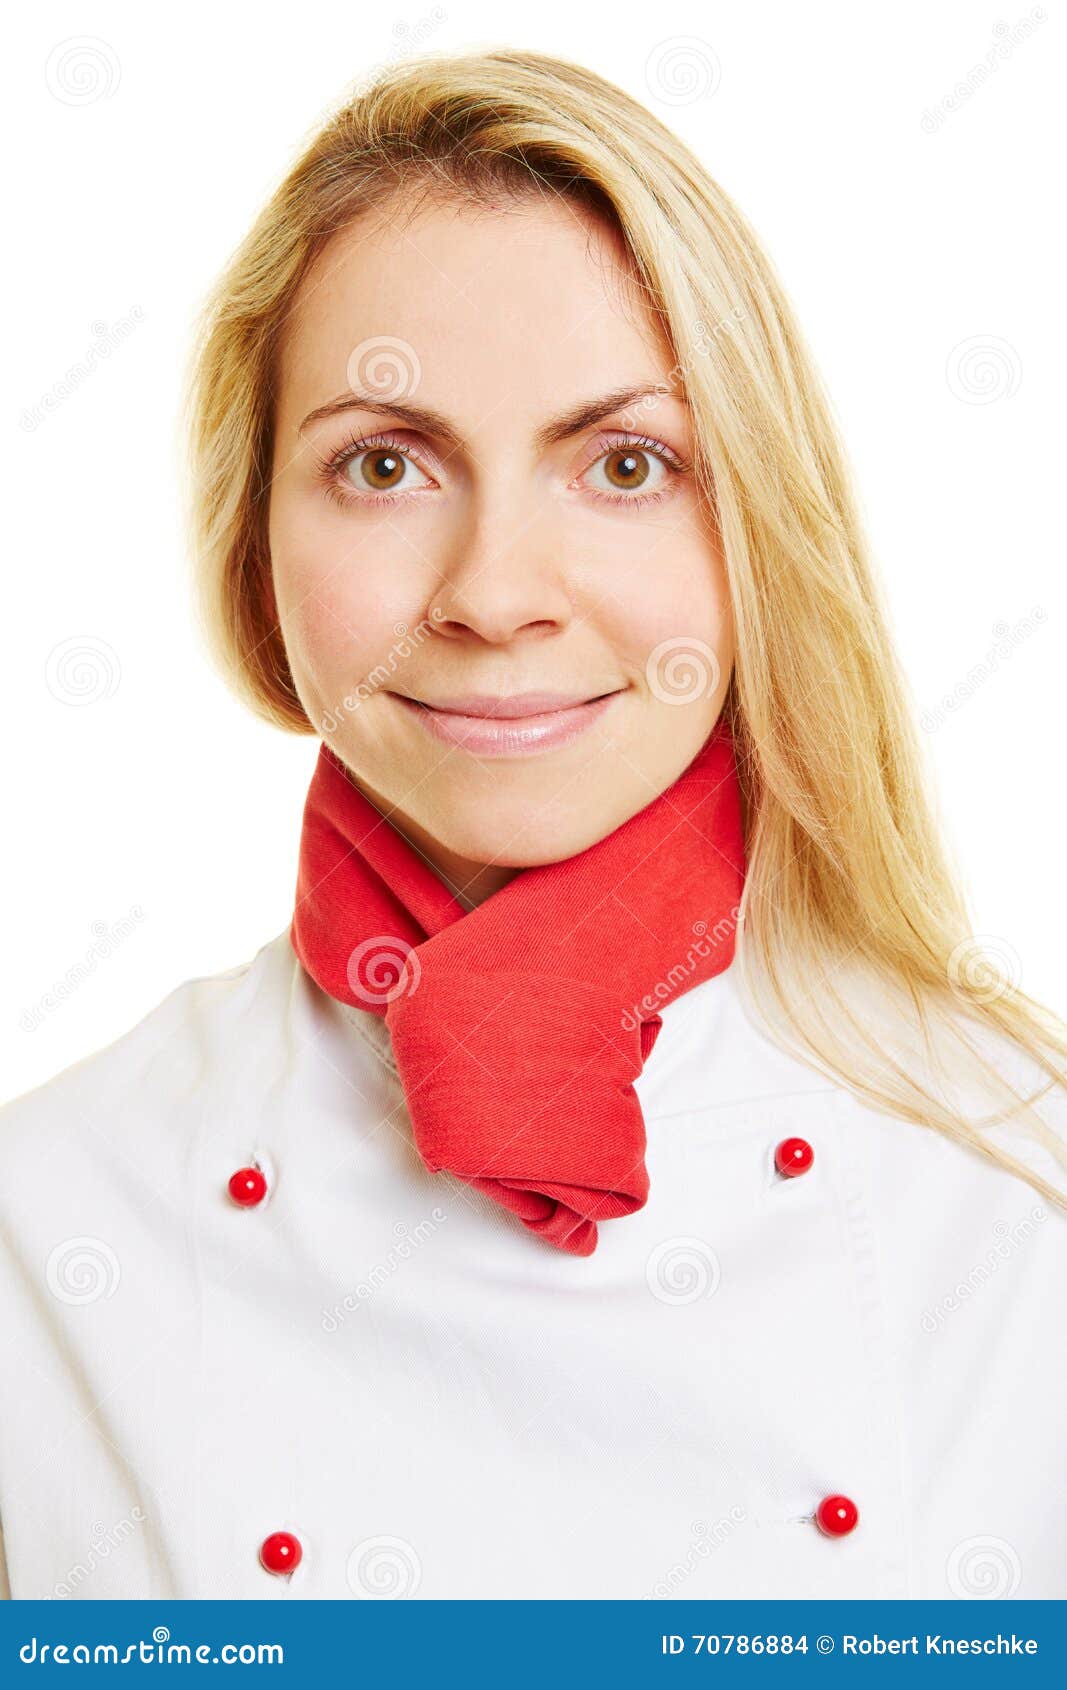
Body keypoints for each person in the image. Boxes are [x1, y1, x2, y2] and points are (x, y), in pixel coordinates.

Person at [1, 46, 1064, 1603]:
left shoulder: (1021, 1181)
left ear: (756, 530)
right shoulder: (48, 1218)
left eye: (624, 465)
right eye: (383, 464)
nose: (496, 594)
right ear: (251, 544)